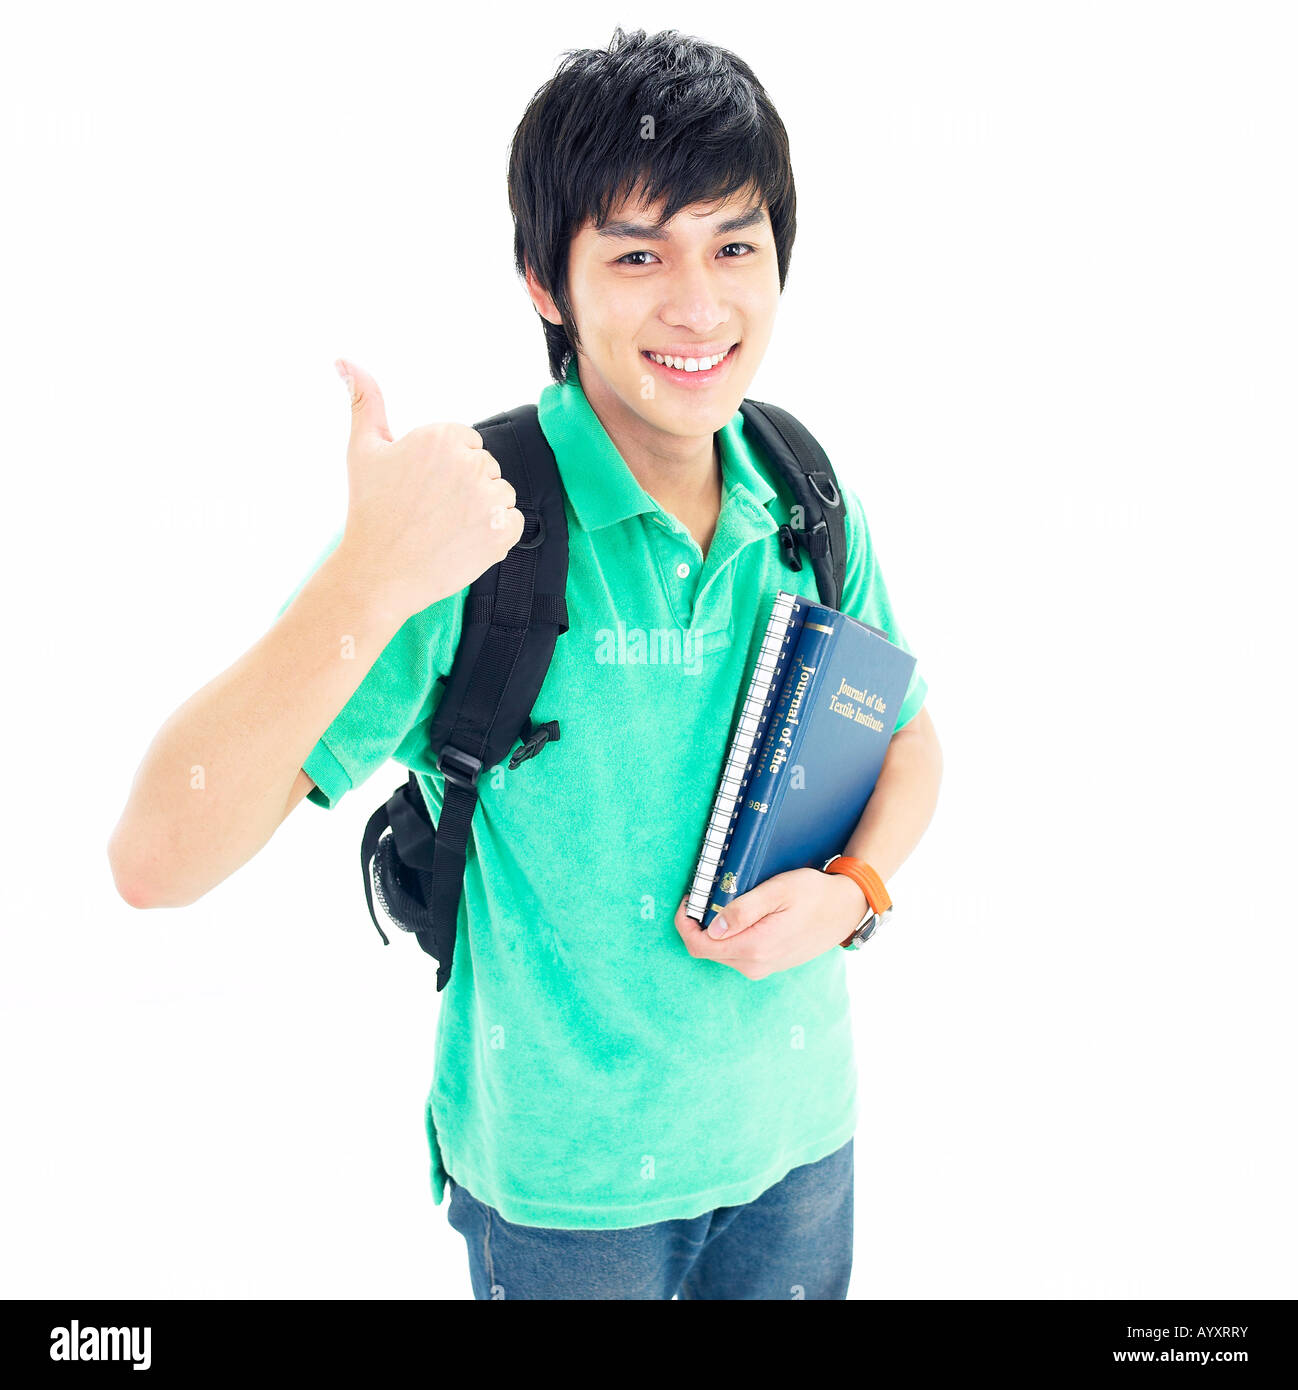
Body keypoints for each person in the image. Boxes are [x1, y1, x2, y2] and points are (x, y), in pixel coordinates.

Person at [108, 26, 943, 1300]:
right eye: (635, 255)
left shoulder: (803, 491)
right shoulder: (469, 526)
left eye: (733, 246)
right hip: (567, 1197)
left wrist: (855, 893)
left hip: (797, 1147)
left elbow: (907, 736)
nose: (698, 304)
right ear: (544, 281)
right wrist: (365, 576)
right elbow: (154, 861)